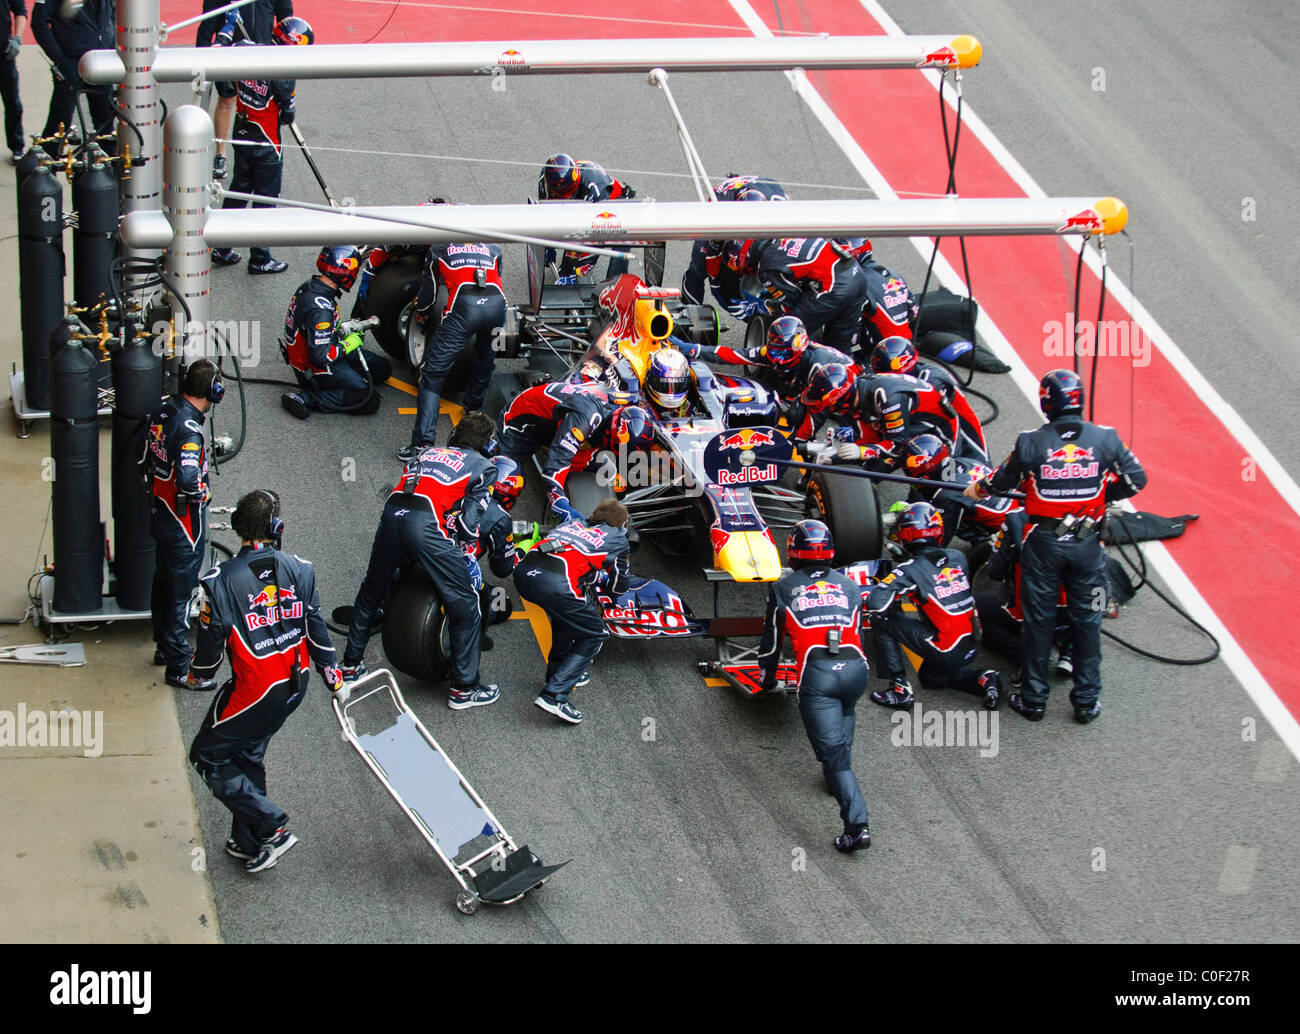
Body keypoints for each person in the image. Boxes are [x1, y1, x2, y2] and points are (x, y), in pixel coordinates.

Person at [965, 369, 1146, 723]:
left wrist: (979, 490)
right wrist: (1098, 497)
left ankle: (1033, 701)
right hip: (1087, 544)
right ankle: (1086, 702)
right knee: (1089, 621)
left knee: (1037, 622)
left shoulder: (1030, 441)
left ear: (1047, 403)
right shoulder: (1106, 438)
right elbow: (1136, 480)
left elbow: (1000, 482)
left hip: (1043, 546)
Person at [189, 489, 341, 874]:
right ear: (277, 528)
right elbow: (316, 625)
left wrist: (199, 676)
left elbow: (209, 648)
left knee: (206, 757)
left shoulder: (218, 581)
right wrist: (332, 675)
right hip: (297, 683)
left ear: (238, 526)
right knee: (248, 753)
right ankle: (248, 841)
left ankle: (271, 826)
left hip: (255, 690)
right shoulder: (302, 568)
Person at [341, 412, 502, 710]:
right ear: (488, 445)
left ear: (454, 436)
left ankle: (350, 667)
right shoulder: (485, 466)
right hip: (426, 527)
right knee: (466, 603)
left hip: (392, 515)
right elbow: (468, 525)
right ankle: (464, 689)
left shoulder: (426, 453)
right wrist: (463, 552)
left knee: (370, 592)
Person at [757, 519, 872, 853]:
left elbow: (771, 641)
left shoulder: (783, 587)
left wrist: (767, 678)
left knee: (834, 755)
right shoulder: (849, 585)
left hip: (818, 675)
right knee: (845, 716)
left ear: (793, 553)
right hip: (856, 669)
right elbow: (860, 630)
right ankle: (835, 776)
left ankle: (857, 826)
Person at [865, 501, 1003, 712]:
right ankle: (983, 678)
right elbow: (934, 574)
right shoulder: (957, 557)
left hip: (947, 647)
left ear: (906, 535)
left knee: (881, 618)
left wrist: (893, 583)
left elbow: (876, 603)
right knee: (931, 678)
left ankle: (899, 689)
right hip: (973, 641)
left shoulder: (908, 570)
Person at [513, 498, 631, 725]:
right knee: (595, 633)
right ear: (622, 526)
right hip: (556, 584)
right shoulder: (618, 538)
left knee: (565, 620)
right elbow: (618, 587)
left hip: (523, 575)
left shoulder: (571, 523)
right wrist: (603, 581)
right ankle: (554, 696)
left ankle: (555, 676)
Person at [210, 17, 313, 274]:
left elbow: (219, 50)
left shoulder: (245, 48)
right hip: (266, 142)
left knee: (239, 188)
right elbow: (287, 116)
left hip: (241, 132)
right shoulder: (284, 75)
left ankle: (222, 246)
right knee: (265, 200)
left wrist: (227, 29)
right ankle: (260, 258)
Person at [144, 359, 223, 690]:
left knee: (163, 583)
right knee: (179, 596)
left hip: (160, 514)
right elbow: (190, 480)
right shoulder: (190, 431)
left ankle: (165, 647)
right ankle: (178, 668)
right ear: (212, 392)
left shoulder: (163, 411)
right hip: (183, 526)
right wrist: (202, 494)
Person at [399, 234, 507, 462]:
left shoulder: (438, 247)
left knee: (431, 375)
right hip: (498, 308)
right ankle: (474, 409)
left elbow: (428, 297)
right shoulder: (493, 246)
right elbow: (498, 277)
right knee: (485, 358)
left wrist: (423, 316)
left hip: (463, 312)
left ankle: (421, 445)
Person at [499, 380, 652, 523]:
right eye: (622, 448)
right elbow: (554, 466)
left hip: (558, 425)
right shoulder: (585, 419)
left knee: (610, 471)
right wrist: (559, 501)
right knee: (504, 482)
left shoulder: (617, 412)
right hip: (523, 421)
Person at [281, 245, 393, 418]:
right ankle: (304, 398)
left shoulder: (312, 285)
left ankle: (348, 380)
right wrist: (349, 343)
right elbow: (321, 357)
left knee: (382, 369)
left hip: (325, 346)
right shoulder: (321, 310)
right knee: (368, 399)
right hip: (314, 366)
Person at [800, 363, 988, 465]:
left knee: (933, 478)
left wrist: (862, 451)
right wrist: (831, 447)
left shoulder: (888, 399)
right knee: (863, 463)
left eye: (830, 404)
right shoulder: (858, 393)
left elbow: (895, 444)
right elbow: (865, 432)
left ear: (843, 398)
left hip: (937, 432)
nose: (828, 410)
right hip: (905, 426)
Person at [197, 0, 293, 180]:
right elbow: (208, 22)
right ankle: (221, 153)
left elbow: (286, 16)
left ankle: (265, 153)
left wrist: (286, 48)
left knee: (263, 105)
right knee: (227, 100)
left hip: (262, 51)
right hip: (230, 52)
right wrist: (199, 61)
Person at [973, 507, 1073, 674]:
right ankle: (1072, 652)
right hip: (1075, 612)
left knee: (976, 605)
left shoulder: (1017, 519)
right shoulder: (1095, 513)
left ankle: (1024, 656)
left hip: (1030, 611)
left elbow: (995, 571)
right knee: (1094, 605)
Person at [725, 236, 869, 351]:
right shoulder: (786, 234)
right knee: (839, 346)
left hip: (835, 287)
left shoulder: (767, 267)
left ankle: (792, 380)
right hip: (857, 275)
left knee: (790, 334)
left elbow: (791, 303)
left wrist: (760, 306)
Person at [681, 174, 788, 312]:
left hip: (762, 192)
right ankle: (689, 312)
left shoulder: (782, 216)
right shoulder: (720, 222)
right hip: (723, 210)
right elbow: (716, 285)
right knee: (697, 268)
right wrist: (732, 305)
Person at [868, 336, 987, 459]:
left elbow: (907, 420)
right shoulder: (910, 377)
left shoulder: (933, 381)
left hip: (955, 432)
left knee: (953, 467)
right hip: (928, 429)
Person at [31, 0, 115, 157]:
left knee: (105, 122)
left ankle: (107, 169)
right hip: (71, 63)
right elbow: (38, 23)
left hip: (102, 62)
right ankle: (45, 169)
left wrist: (111, 47)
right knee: (59, 122)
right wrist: (59, 58)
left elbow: (114, 14)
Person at [537, 153, 635, 282]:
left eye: (568, 193)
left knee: (619, 236)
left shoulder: (593, 190)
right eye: (560, 194)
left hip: (611, 205)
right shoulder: (545, 178)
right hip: (583, 204)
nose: (565, 197)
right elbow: (543, 213)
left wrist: (570, 267)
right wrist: (546, 243)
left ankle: (615, 282)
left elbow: (589, 233)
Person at [2, 1, 26, 163]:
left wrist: (17, 37)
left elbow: (20, 12)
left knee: (12, 103)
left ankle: (17, 145)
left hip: (3, 54)